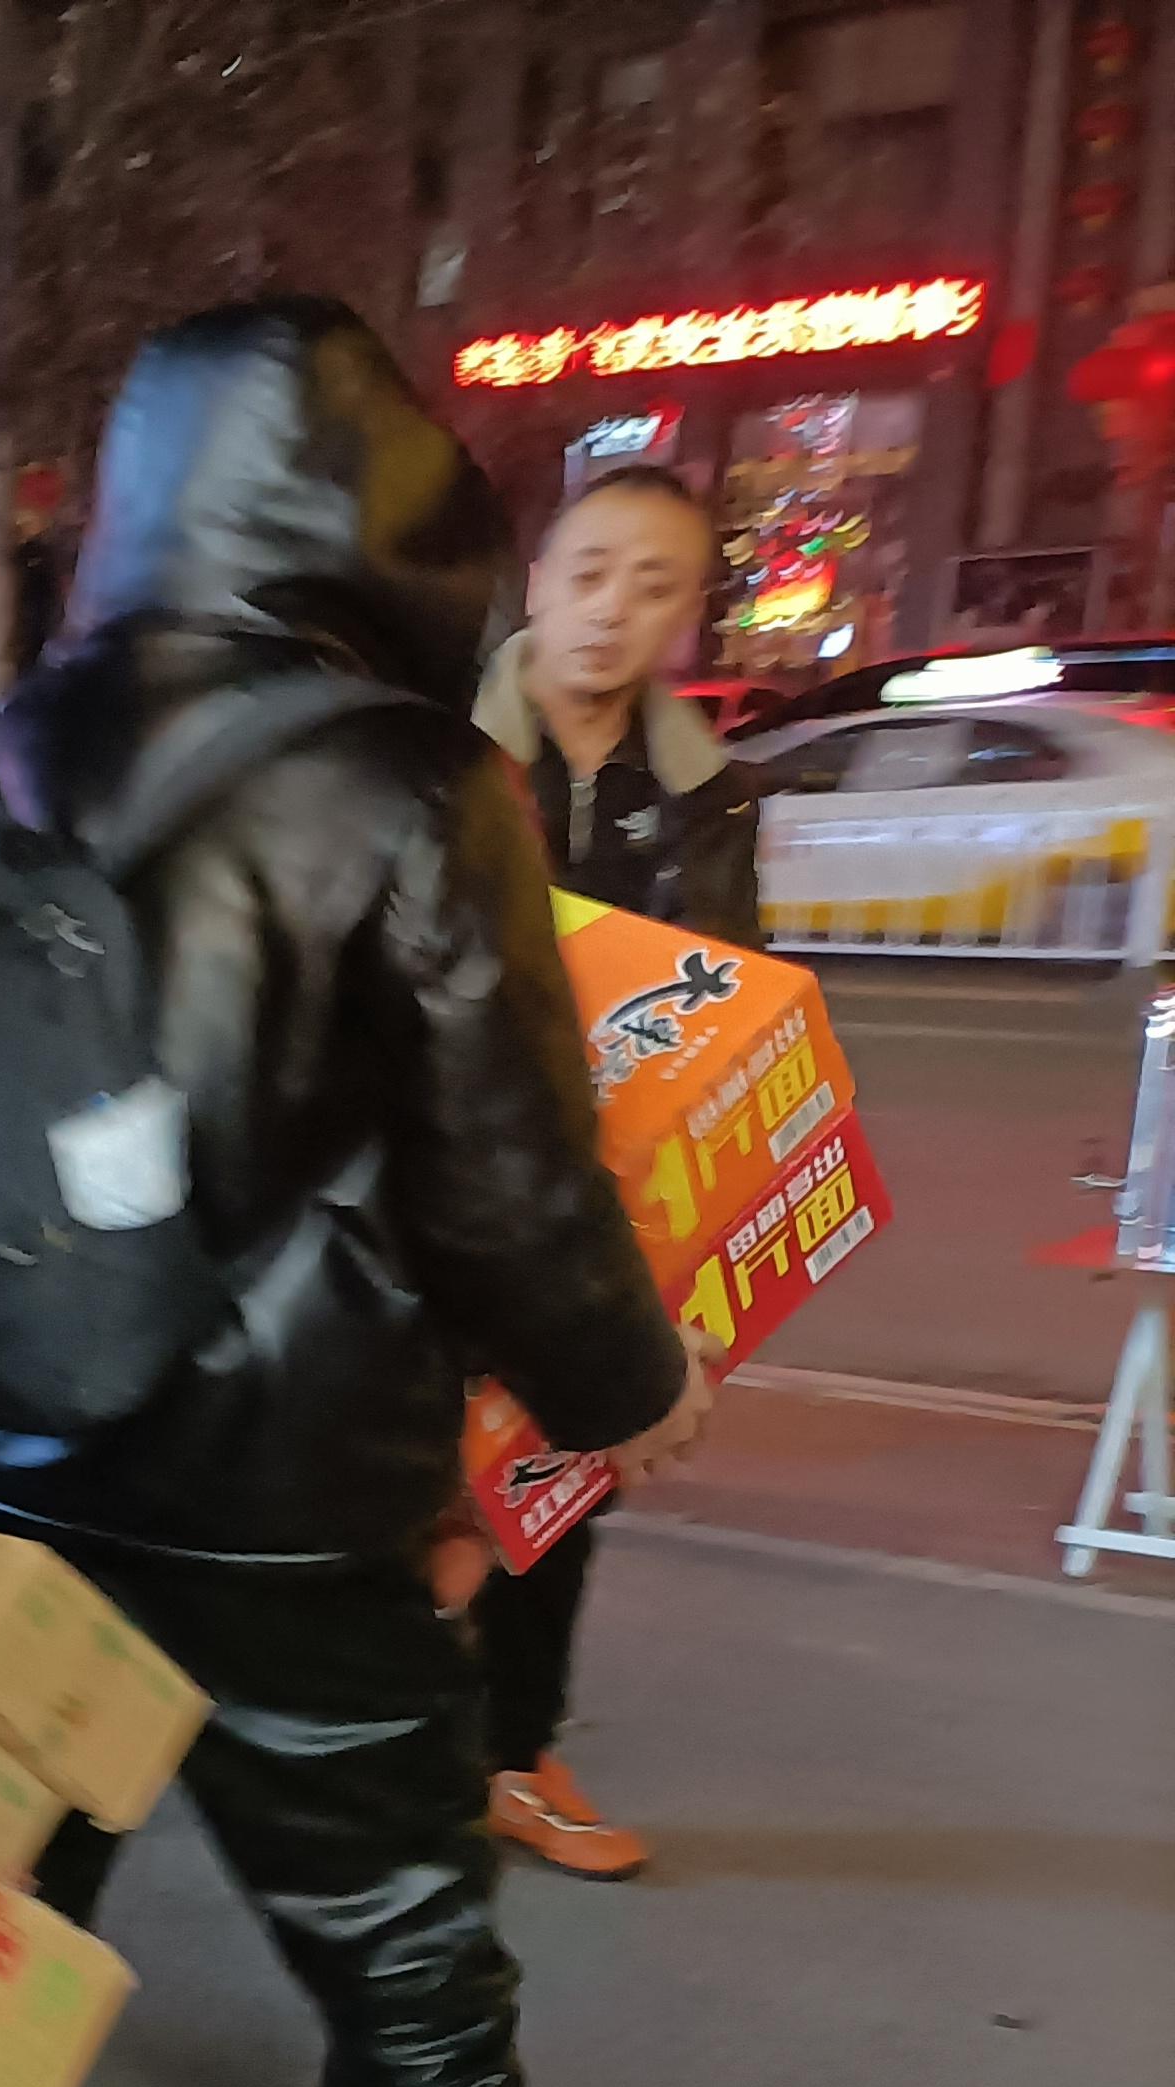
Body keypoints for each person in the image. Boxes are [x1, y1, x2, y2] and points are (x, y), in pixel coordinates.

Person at [0, 300, 720, 2087]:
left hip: (8, 1463)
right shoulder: (408, 783)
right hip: (284, 1490)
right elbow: (508, 1187)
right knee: (399, 1932)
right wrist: (625, 1392)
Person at [464, 463, 765, 1877]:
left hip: (607, 1192)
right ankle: (370, 1767)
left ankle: (513, 1758)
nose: (609, 611)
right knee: (396, 1476)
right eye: (587, 574)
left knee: (564, 1467)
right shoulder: (432, 760)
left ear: (686, 613)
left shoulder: (709, 798)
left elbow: (737, 997)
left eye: (652, 586)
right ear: (537, 584)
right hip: (442, 1174)